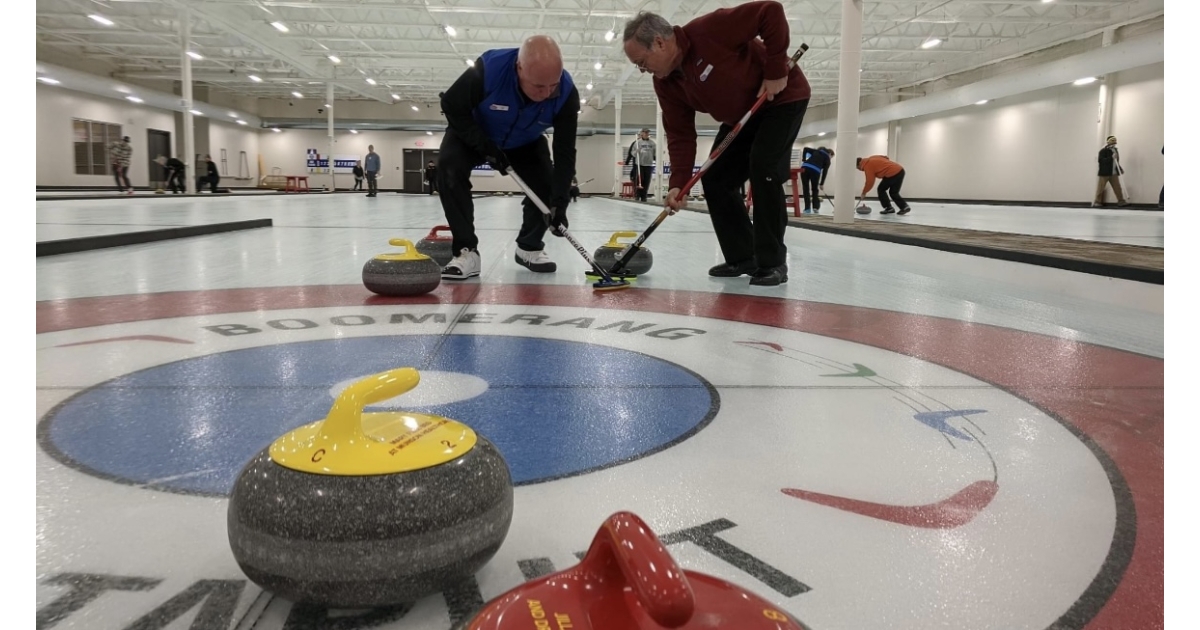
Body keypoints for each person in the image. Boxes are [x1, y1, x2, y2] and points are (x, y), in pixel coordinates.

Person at [622, 2, 811, 287]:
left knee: (764, 167)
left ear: (659, 43)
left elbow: (769, 11)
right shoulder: (665, 83)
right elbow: (680, 133)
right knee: (716, 179)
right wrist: (679, 183)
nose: (642, 70)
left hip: (780, 99)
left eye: (641, 62)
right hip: (742, 117)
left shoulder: (709, 30)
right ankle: (743, 255)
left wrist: (774, 71)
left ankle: (772, 263)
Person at [435, 35, 580, 280]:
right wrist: (484, 146)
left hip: (526, 140)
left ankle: (529, 246)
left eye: (551, 86)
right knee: (448, 169)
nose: (546, 94)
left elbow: (565, 152)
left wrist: (560, 202)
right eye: (538, 86)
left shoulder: (566, 93)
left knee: (545, 182)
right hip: (474, 133)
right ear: (519, 67)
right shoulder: (490, 68)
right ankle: (466, 251)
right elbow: (452, 105)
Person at [1093, 135, 1129, 207]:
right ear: (1108, 142)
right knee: (1100, 188)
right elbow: (1101, 161)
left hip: (1114, 173)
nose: (1114, 144)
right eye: (1112, 142)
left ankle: (1121, 201)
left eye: (1114, 142)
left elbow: (1116, 161)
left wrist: (1119, 168)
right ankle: (1097, 201)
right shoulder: (1103, 151)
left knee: (1117, 188)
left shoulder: (1115, 150)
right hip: (1104, 173)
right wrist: (1111, 158)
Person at [799, 146, 833, 214]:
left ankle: (807, 209)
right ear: (830, 154)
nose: (831, 158)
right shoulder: (828, 159)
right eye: (831, 157)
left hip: (804, 168)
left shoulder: (816, 151)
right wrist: (821, 183)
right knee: (814, 190)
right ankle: (815, 208)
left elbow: (805, 149)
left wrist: (804, 159)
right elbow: (825, 172)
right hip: (815, 171)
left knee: (806, 189)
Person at [625, 128, 656, 201]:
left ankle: (644, 196)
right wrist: (636, 152)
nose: (646, 134)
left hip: (648, 164)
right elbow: (632, 153)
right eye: (644, 132)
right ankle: (637, 195)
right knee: (639, 181)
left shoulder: (652, 143)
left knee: (647, 181)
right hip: (639, 164)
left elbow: (655, 153)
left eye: (647, 133)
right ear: (642, 133)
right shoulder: (637, 143)